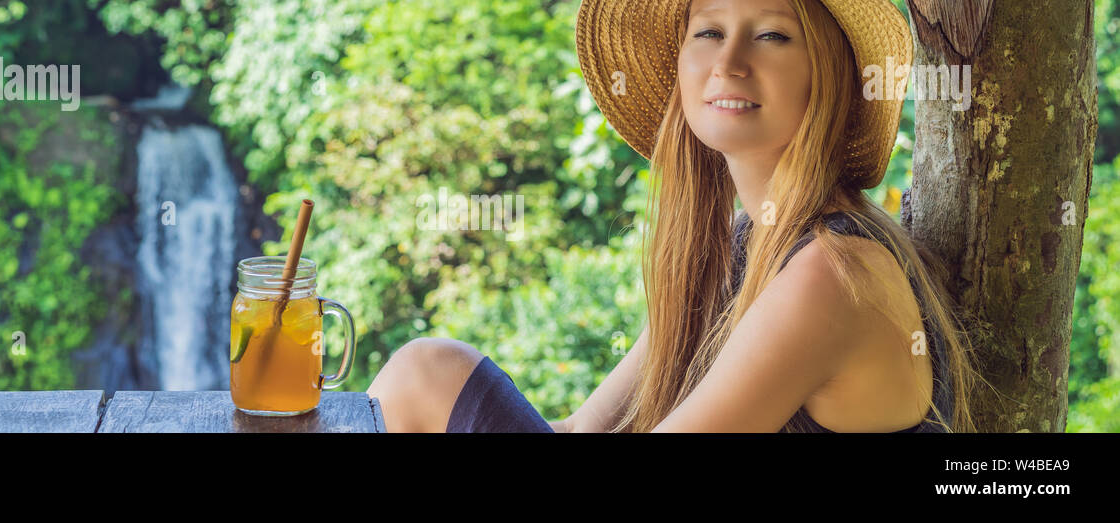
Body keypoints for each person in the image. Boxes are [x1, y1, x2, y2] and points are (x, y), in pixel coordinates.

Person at [366, 0, 984, 433]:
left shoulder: (832, 272)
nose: (729, 62)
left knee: (429, 373)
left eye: (772, 34)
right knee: (429, 375)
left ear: (830, 73)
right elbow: (586, 426)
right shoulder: (749, 239)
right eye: (709, 31)